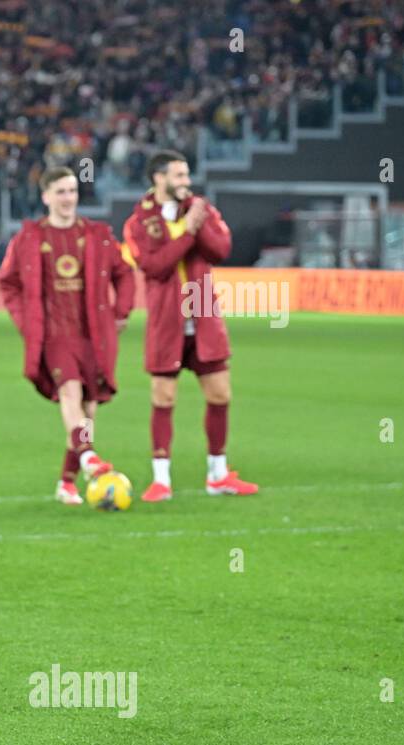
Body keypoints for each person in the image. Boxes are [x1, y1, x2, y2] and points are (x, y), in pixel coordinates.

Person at [122, 150, 258, 501]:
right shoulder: (139, 222)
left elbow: (221, 250)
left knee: (220, 394)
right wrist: (187, 231)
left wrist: (198, 223)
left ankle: (218, 474)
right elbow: (156, 266)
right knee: (163, 397)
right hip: (166, 322)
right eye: (179, 176)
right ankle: (161, 479)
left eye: (186, 175)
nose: (186, 182)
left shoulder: (201, 208)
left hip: (203, 317)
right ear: (159, 178)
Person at [0, 166, 135, 504]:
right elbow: (9, 282)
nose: (67, 198)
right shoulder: (30, 237)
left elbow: (125, 274)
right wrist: (24, 322)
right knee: (71, 393)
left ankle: (67, 481)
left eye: (72, 191)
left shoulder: (96, 234)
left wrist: (121, 312)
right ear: (45, 196)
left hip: (94, 335)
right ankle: (89, 457)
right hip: (54, 337)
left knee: (89, 410)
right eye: (60, 191)